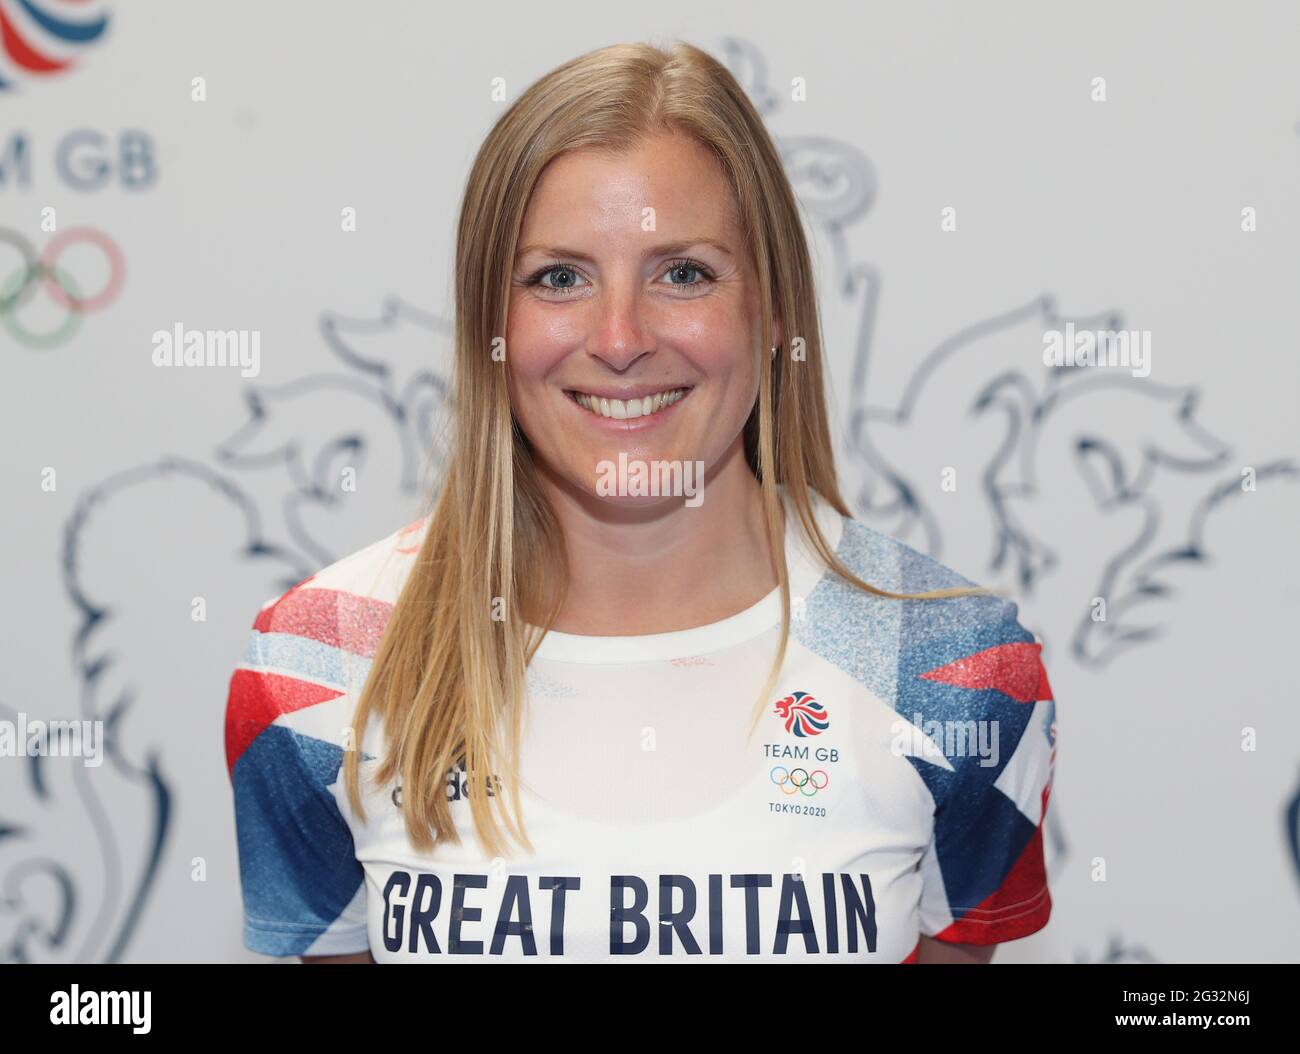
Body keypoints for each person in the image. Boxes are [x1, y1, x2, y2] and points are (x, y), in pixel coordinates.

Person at [223, 39, 1057, 964]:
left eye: (685, 273)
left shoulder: (954, 667)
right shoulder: (320, 660)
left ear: (774, 310)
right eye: (559, 278)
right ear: (487, 322)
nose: (619, 339)